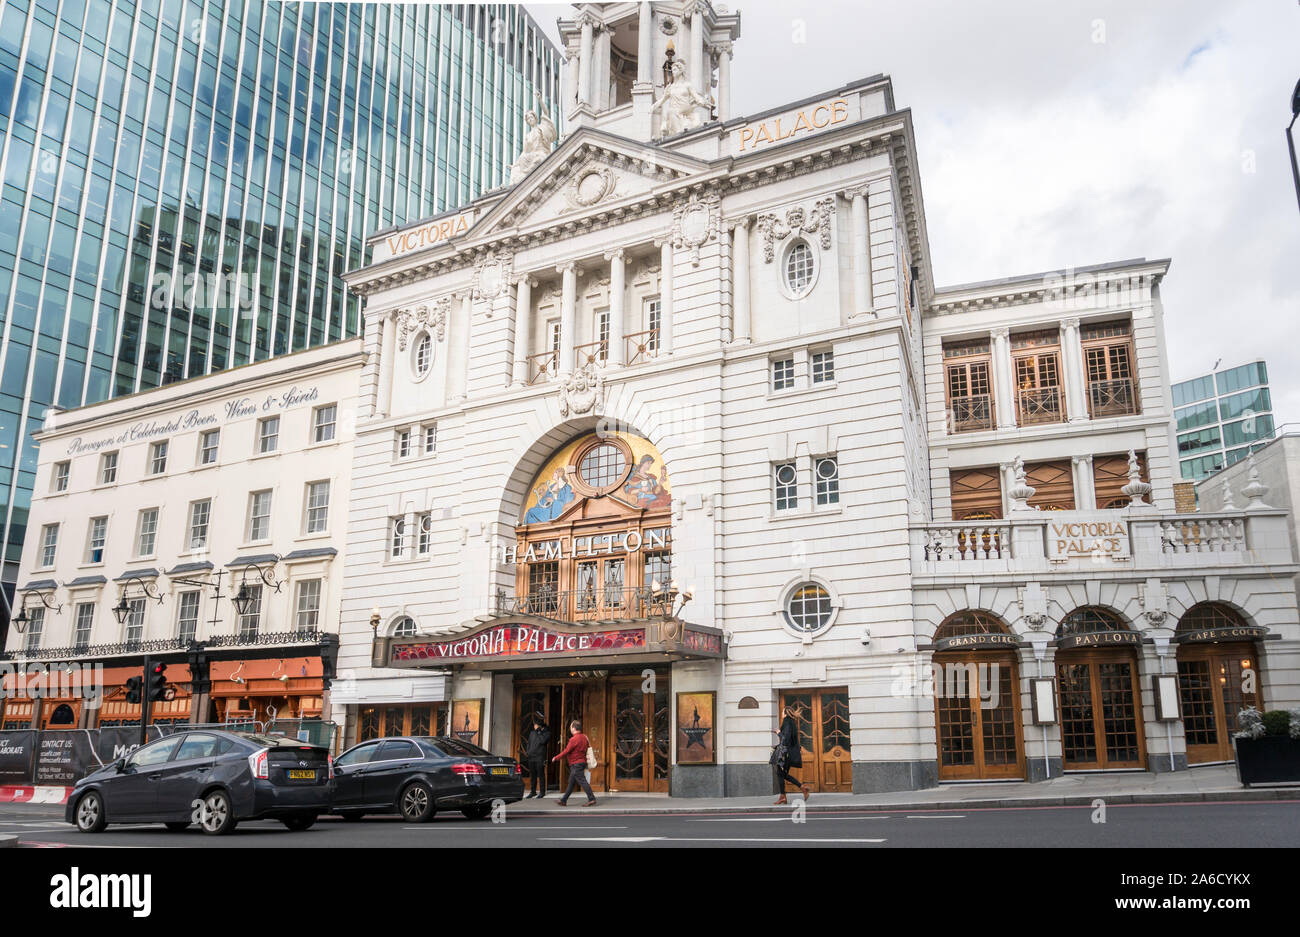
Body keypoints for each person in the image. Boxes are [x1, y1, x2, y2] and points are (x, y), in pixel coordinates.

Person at [552, 719, 597, 807]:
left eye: (571, 727)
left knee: (583, 781)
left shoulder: (573, 739)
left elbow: (566, 751)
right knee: (571, 782)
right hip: (582, 762)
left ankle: (592, 799)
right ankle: (563, 800)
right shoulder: (585, 737)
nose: (570, 729)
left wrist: (556, 758)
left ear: (573, 728)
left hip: (576, 763)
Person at [773, 704, 810, 805]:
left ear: (785, 713)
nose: (781, 713)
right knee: (782, 774)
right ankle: (785, 795)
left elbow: (786, 739)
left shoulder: (787, 722)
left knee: (780, 774)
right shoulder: (791, 722)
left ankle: (800, 788)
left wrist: (778, 732)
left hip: (786, 754)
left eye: (782, 711)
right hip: (789, 753)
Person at [523, 719, 552, 799]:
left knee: (541, 775)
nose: (534, 726)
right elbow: (528, 743)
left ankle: (542, 792)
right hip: (531, 757)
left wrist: (539, 732)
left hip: (540, 757)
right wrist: (528, 752)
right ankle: (533, 792)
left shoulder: (546, 733)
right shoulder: (532, 733)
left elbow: (542, 741)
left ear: (539, 726)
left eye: (535, 725)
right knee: (533, 775)